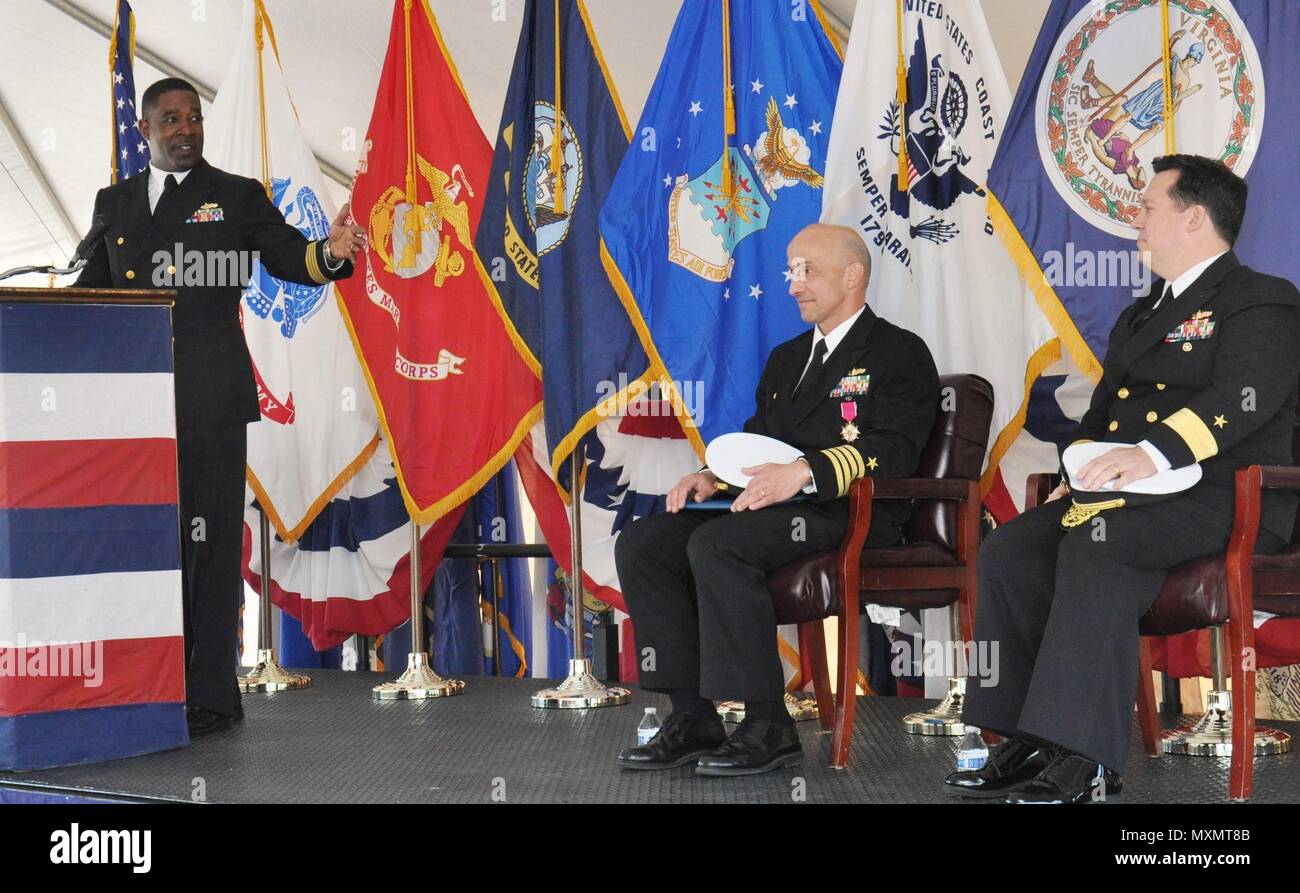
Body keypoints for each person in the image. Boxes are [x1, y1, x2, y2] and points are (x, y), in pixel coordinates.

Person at [949, 155, 1300, 803]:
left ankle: (1086, 756)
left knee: (1097, 542)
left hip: (1228, 493)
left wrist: (1153, 453)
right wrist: (1074, 472)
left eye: (1147, 206)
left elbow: (1246, 396)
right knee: (1011, 549)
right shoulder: (1140, 316)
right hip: (1133, 495)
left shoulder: (1263, 298)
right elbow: (1105, 416)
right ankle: (1028, 735)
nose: (1134, 218)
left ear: (1194, 217)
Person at [74, 78, 366, 736]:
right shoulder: (113, 203)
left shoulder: (234, 196)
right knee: (150, 545)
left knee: (208, 547)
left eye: (194, 118)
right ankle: (149, 685)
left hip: (210, 400)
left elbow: (291, 255)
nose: (185, 129)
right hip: (135, 409)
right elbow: (85, 290)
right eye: (171, 119)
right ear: (145, 129)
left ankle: (207, 694)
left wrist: (330, 255)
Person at [615, 223, 939, 776]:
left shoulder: (897, 352)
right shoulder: (788, 358)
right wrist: (709, 477)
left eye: (808, 270)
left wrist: (804, 471)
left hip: (851, 513)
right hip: (779, 511)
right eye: (791, 270)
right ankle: (693, 714)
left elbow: (896, 450)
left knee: (719, 545)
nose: (794, 284)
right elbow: (758, 437)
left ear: (853, 275)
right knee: (646, 541)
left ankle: (768, 722)